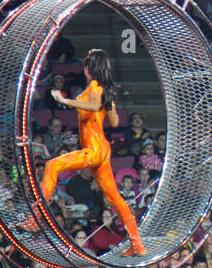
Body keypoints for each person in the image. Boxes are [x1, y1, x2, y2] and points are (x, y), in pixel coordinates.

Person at [35, 49, 144, 256]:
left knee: (52, 165)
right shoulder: (102, 90)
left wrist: (65, 101)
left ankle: (36, 218)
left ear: (89, 68)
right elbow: (114, 121)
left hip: (93, 149)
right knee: (114, 198)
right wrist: (107, 102)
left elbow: (94, 106)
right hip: (101, 149)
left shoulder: (94, 87)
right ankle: (137, 244)